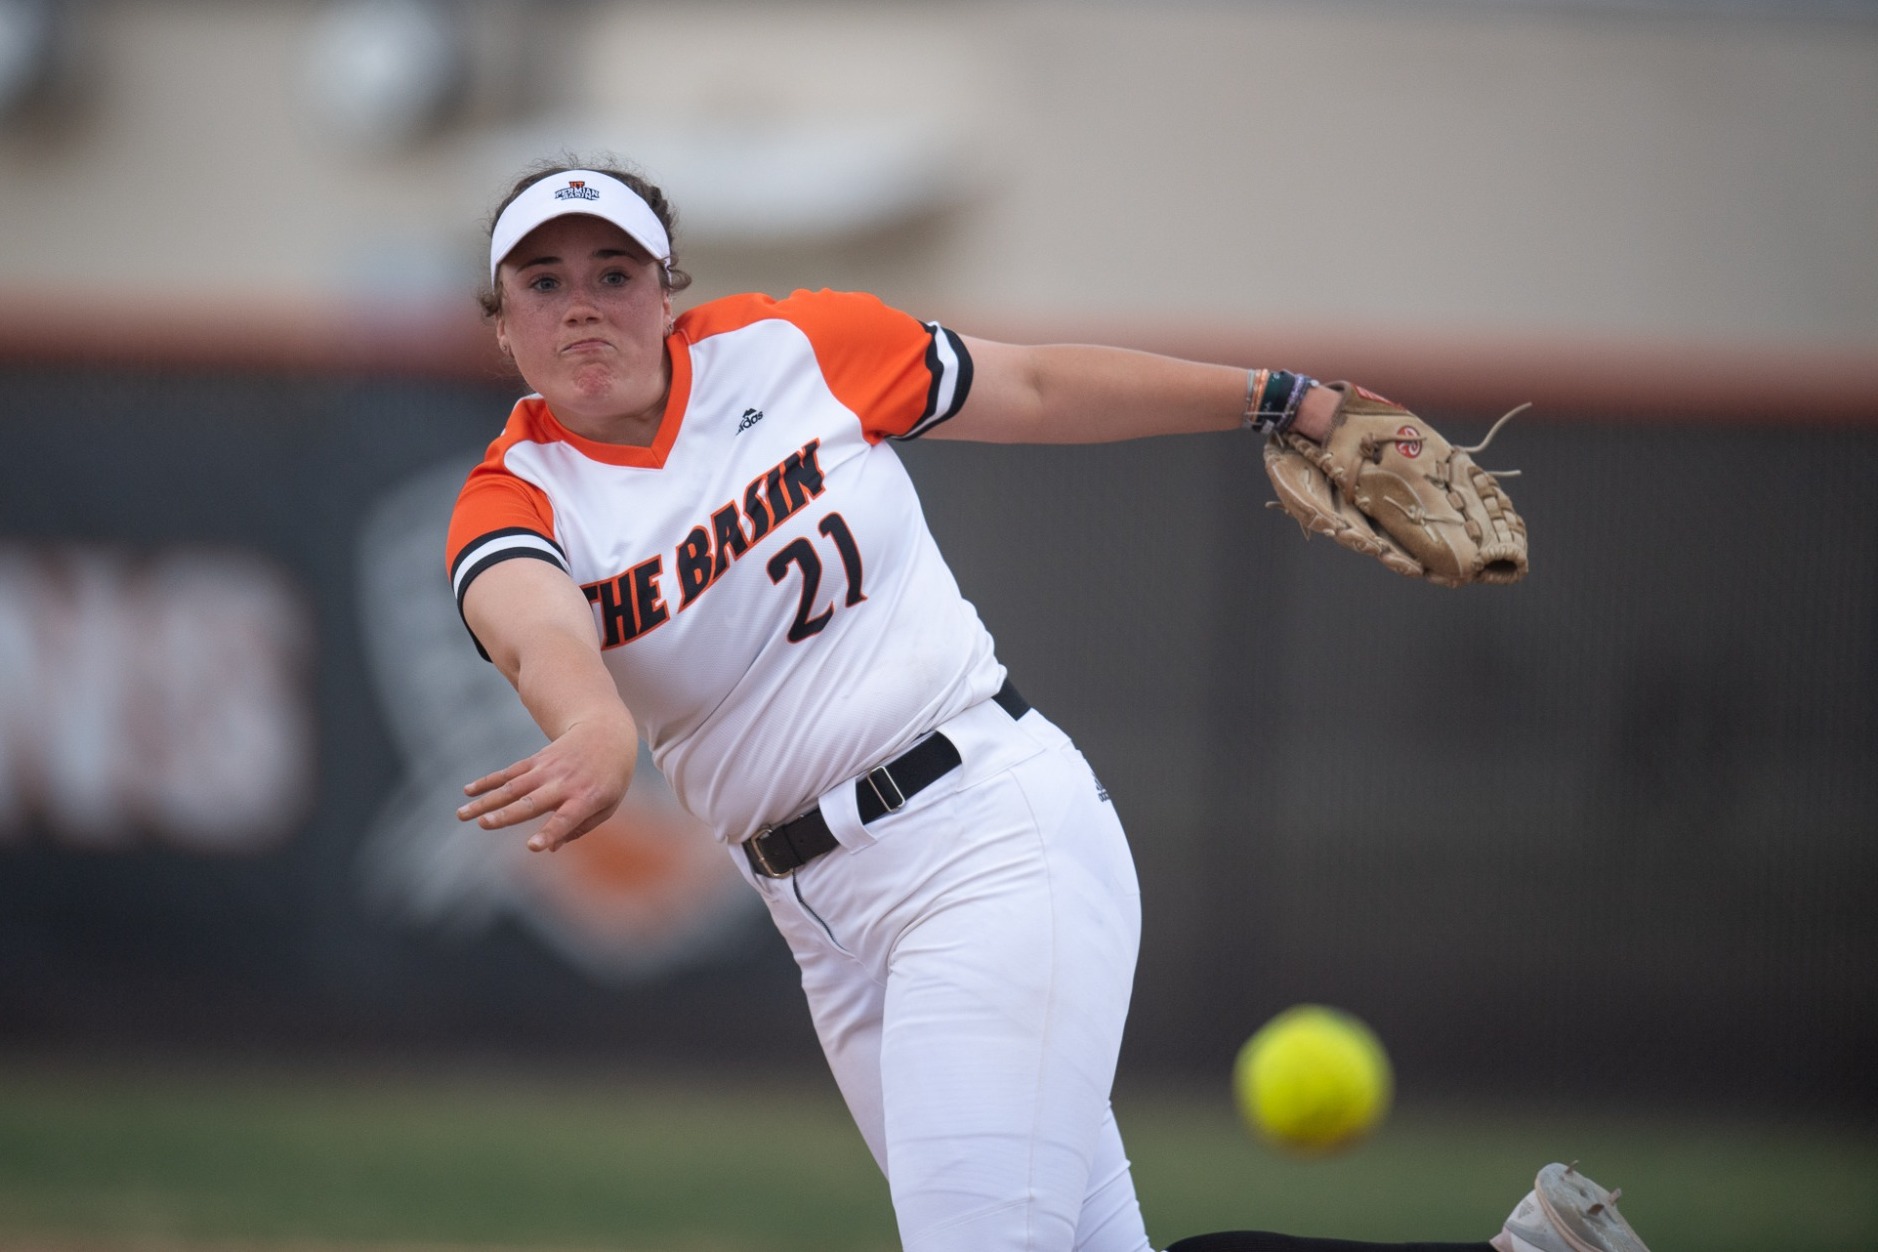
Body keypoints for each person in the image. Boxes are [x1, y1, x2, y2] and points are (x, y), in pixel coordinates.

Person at [445, 159, 1651, 1252]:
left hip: (981, 836)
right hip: (826, 924)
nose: (583, 302)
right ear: (504, 327)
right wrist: (592, 722)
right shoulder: (517, 494)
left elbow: (1025, 384)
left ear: (670, 289)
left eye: (616, 270)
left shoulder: (788, 349)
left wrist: (1288, 399)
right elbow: (537, 623)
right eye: (542, 282)